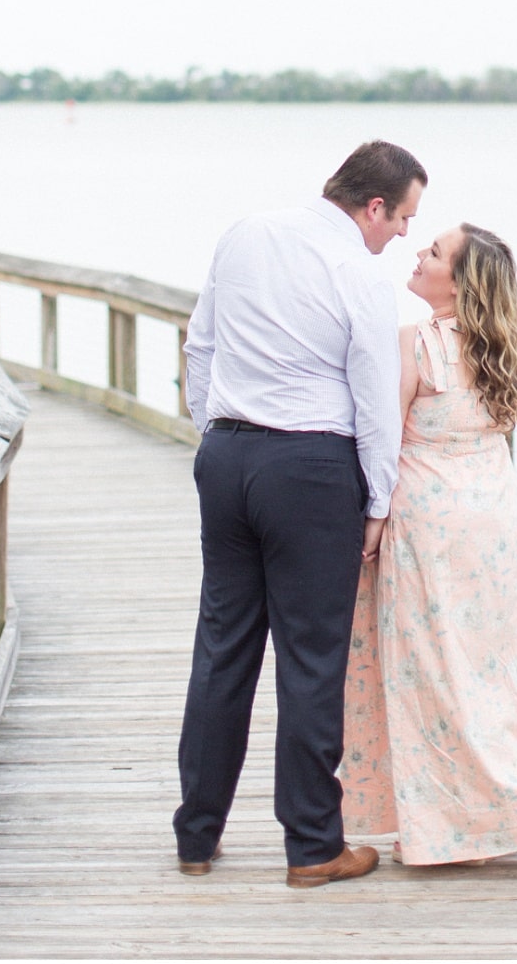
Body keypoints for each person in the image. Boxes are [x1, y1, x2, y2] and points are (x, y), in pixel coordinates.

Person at [173, 140, 427, 888]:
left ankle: (196, 836)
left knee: (222, 646)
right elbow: (374, 395)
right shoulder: (358, 272)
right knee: (313, 660)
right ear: (373, 206)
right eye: (404, 217)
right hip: (312, 469)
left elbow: (200, 344)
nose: (404, 233)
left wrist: (216, 431)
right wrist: (377, 499)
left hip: (228, 457)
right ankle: (314, 846)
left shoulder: (245, 233)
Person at [342, 223, 517, 882]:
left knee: (434, 674)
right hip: (493, 524)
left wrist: (372, 520)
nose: (418, 254)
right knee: (492, 674)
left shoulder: (416, 343)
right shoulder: (501, 350)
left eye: (433, 252)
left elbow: (383, 439)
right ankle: (465, 826)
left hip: (430, 527)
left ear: (457, 284)